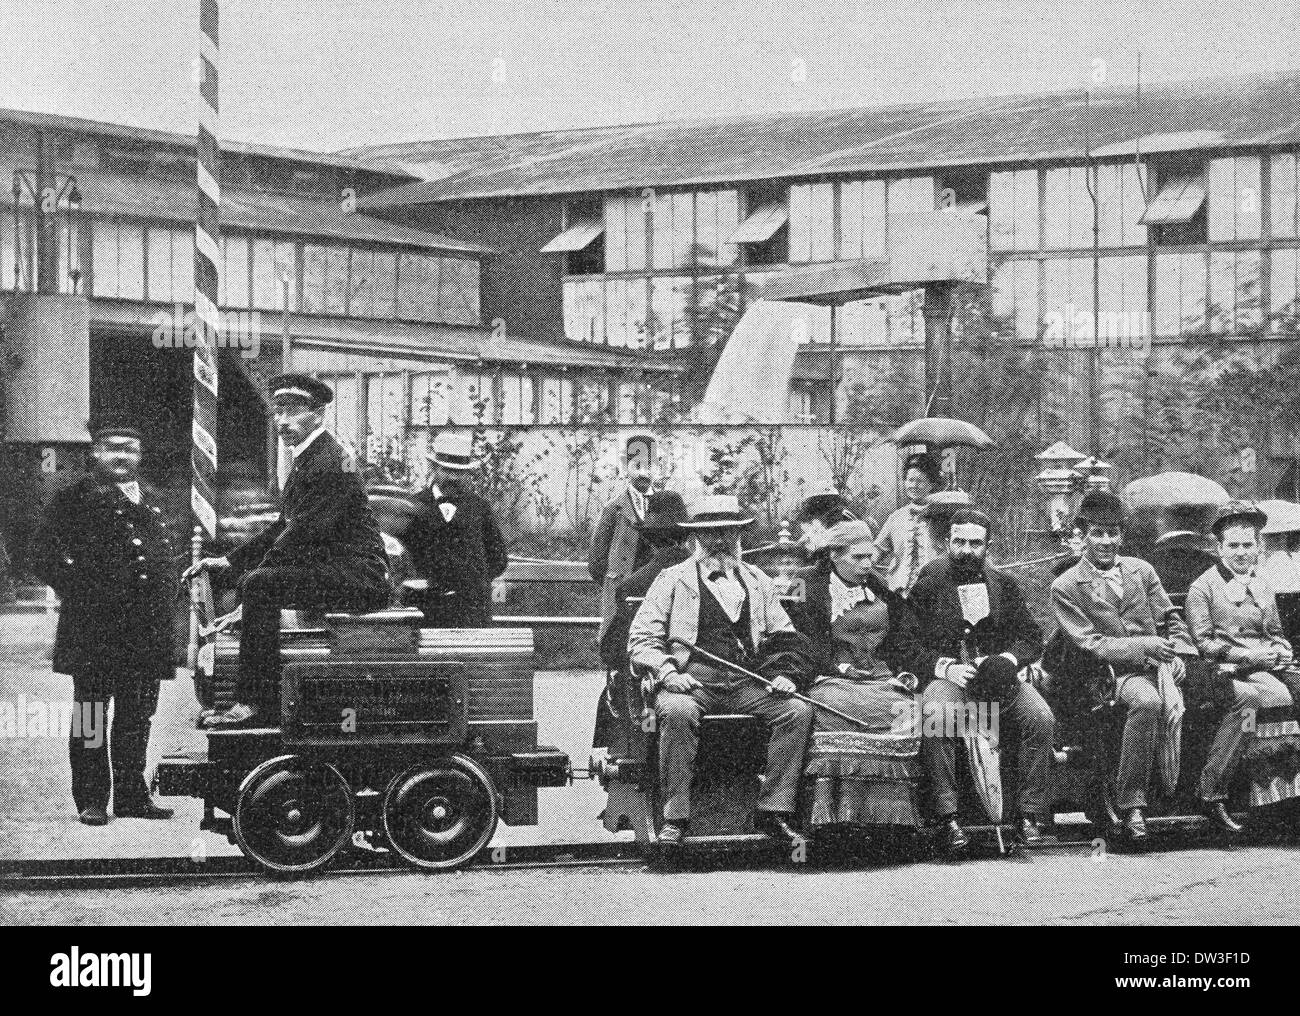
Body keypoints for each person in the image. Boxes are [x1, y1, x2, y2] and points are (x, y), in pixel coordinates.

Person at [183, 374, 391, 727]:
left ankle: (253, 704)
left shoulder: (329, 461)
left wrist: (250, 585)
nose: (282, 421)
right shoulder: (310, 457)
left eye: (292, 411)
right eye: (277, 412)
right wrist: (229, 561)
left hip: (361, 578)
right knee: (258, 581)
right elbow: (283, 526)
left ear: (318, 414)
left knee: (261, 585)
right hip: (343, 571)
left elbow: (302, 534)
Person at [627, 494, 813, 847]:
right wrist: (668, 673)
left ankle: (774, 811)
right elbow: (640, 639)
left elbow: (786, 637)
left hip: (747, 682)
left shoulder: (758, 581)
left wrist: (787, 674)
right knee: (675, 711)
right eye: (710, 532)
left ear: (739, 535)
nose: (719, 541)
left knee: (797, 712)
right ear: (697, 537)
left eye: (727, 532)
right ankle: (675, 817)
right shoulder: (673, 580)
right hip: (693, 681)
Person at [33, 416, 179, 824]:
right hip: (94, 630)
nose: (121, 456)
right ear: (95, 452)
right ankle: (92, 799)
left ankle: (132, 797)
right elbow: (42, 556)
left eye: (129, 449)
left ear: (140, 456)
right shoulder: (73, 498)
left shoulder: (152, 498)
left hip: (145, 631)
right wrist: (82, 592)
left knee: (136, 716)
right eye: (111, 447)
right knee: (92, 715)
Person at [1049, 490, 1197, 842]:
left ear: (1122, 535)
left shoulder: (1142, 571)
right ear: (1083, 536)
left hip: (1158, 665)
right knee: (1147, 702)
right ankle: (1132, 803)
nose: (1106, 541)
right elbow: (1091, 643)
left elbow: (1171, 619)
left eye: (1113, 533)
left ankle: (1196, 793)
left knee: (1210, 695)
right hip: (1107, 675)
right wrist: (1145, 646)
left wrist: (1177, 653)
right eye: (1098, 533)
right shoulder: (1066, 585)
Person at [909, 509, 1055, 849]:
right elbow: (906, 644)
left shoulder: (1003, 584)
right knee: (938, 716)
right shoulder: (929, 581)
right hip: (951, 680)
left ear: (987, 546)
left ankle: (1029, 813)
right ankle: (949, 817)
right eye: (959, 542)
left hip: (997, 683)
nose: (966, 550)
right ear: (948, 542)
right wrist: (945, 668)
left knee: (1040, 718)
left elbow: (1032, 637)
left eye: (975, 543)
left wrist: (1006, 659)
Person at [784, 520, 931, 836]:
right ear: (835, 555)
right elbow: (797, 638)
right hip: (827, 676)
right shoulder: (804, 585)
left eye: (871, 557)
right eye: (858, 557)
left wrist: (904, 673)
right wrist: (837, 669)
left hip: (879, 676)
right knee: (832, 708)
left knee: (909, 708)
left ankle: (892, 820)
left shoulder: (880, 587)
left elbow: (904, 636)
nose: (867, 565)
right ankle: (835, 818)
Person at [1185, 502, 1297, 833]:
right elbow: (1202, 643)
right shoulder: (1202, 588)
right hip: (1225, 670)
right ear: (1218, 548)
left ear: (1259, 546)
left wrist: (1282, 650)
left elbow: (1275, 632)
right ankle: (1254, 798)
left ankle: (1290, 795)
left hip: (1267, 664)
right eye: (1233, 545)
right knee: (1274, 697)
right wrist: (1248, 659)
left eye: (1248, 544)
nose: (1241, 553)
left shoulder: (1262, 584)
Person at [594, 491, 692, 749]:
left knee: (625, 687)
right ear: (686, 535)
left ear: (649, 539)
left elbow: (614, 650)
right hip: (699, 683)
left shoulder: (632, 585)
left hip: (648, 700)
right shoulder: (705, 575)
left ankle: (639, 750)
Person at [402, 432, 510, 627]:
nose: (453, 477)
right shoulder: (412, 507)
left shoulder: (480, 508)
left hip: (471, 610)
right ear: (434, 468)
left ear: (468, 474)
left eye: (460, 472)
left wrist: (472, 582)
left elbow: (498, 558)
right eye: (447, 470)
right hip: (424, 609)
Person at [588, 458, 654, 644]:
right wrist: (614, 582)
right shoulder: (614, 508)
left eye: (649, 467)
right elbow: (597, 560)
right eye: (637, 467)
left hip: (654, 586)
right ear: (626, 471)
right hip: (623, 587)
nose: (643, 473)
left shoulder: (663, 505)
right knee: (618, 641)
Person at [873, 451, 943, 595]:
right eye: (910, 480)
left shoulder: (941, 516)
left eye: (920, 481)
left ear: (931, 485)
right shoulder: (896, 518)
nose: (914, 485)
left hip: (933, 593)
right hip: (899, 594)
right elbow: (878, 550)